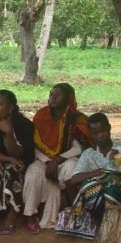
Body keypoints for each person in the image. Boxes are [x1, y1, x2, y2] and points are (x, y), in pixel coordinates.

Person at [55, 113, 121, 240]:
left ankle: (110, 225)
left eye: (103, 131)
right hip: (99, 200)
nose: (100, 135)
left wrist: (112, 168)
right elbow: (75, 179)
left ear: (109, 128)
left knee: (111, 186)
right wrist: (102, 171)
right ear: (91, 134)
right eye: (96, 133)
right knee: (92, 186)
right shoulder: (89, 154)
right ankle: (103, 222)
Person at [22, 83, 93, 232]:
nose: (53, 98)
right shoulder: (41, 116)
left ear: (69, 98)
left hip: (67, 158)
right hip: (43, 159)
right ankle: (30, 215)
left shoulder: (77, 119)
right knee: (33, 173)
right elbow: (34, 146)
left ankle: (73, 211)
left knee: (71, 170)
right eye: (51, 94)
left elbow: (79, 147)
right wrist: (48, 161)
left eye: (58, 95)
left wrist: (57, 160)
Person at [0, 89, 35, 236]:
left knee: (14, 169)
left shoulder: (24, 125)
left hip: (20, 161)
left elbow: (18, 154)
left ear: (10, 107)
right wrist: (9, 159)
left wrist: (9, 133)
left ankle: (13, 213)